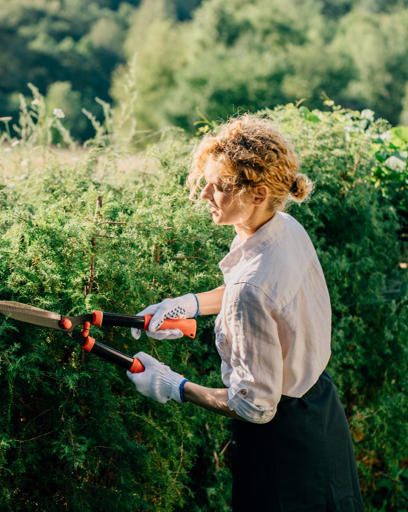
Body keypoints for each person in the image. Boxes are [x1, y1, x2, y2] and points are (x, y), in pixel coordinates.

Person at [126, 114, 364, 511]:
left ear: (257, 194)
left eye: (219, 186)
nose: (205, 194)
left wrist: (173, 386)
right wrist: (189, 304)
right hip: (321, 412)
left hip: (281, 453)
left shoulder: (250, 287)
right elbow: (260, 294)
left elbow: (253, 406)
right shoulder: (286, 228)